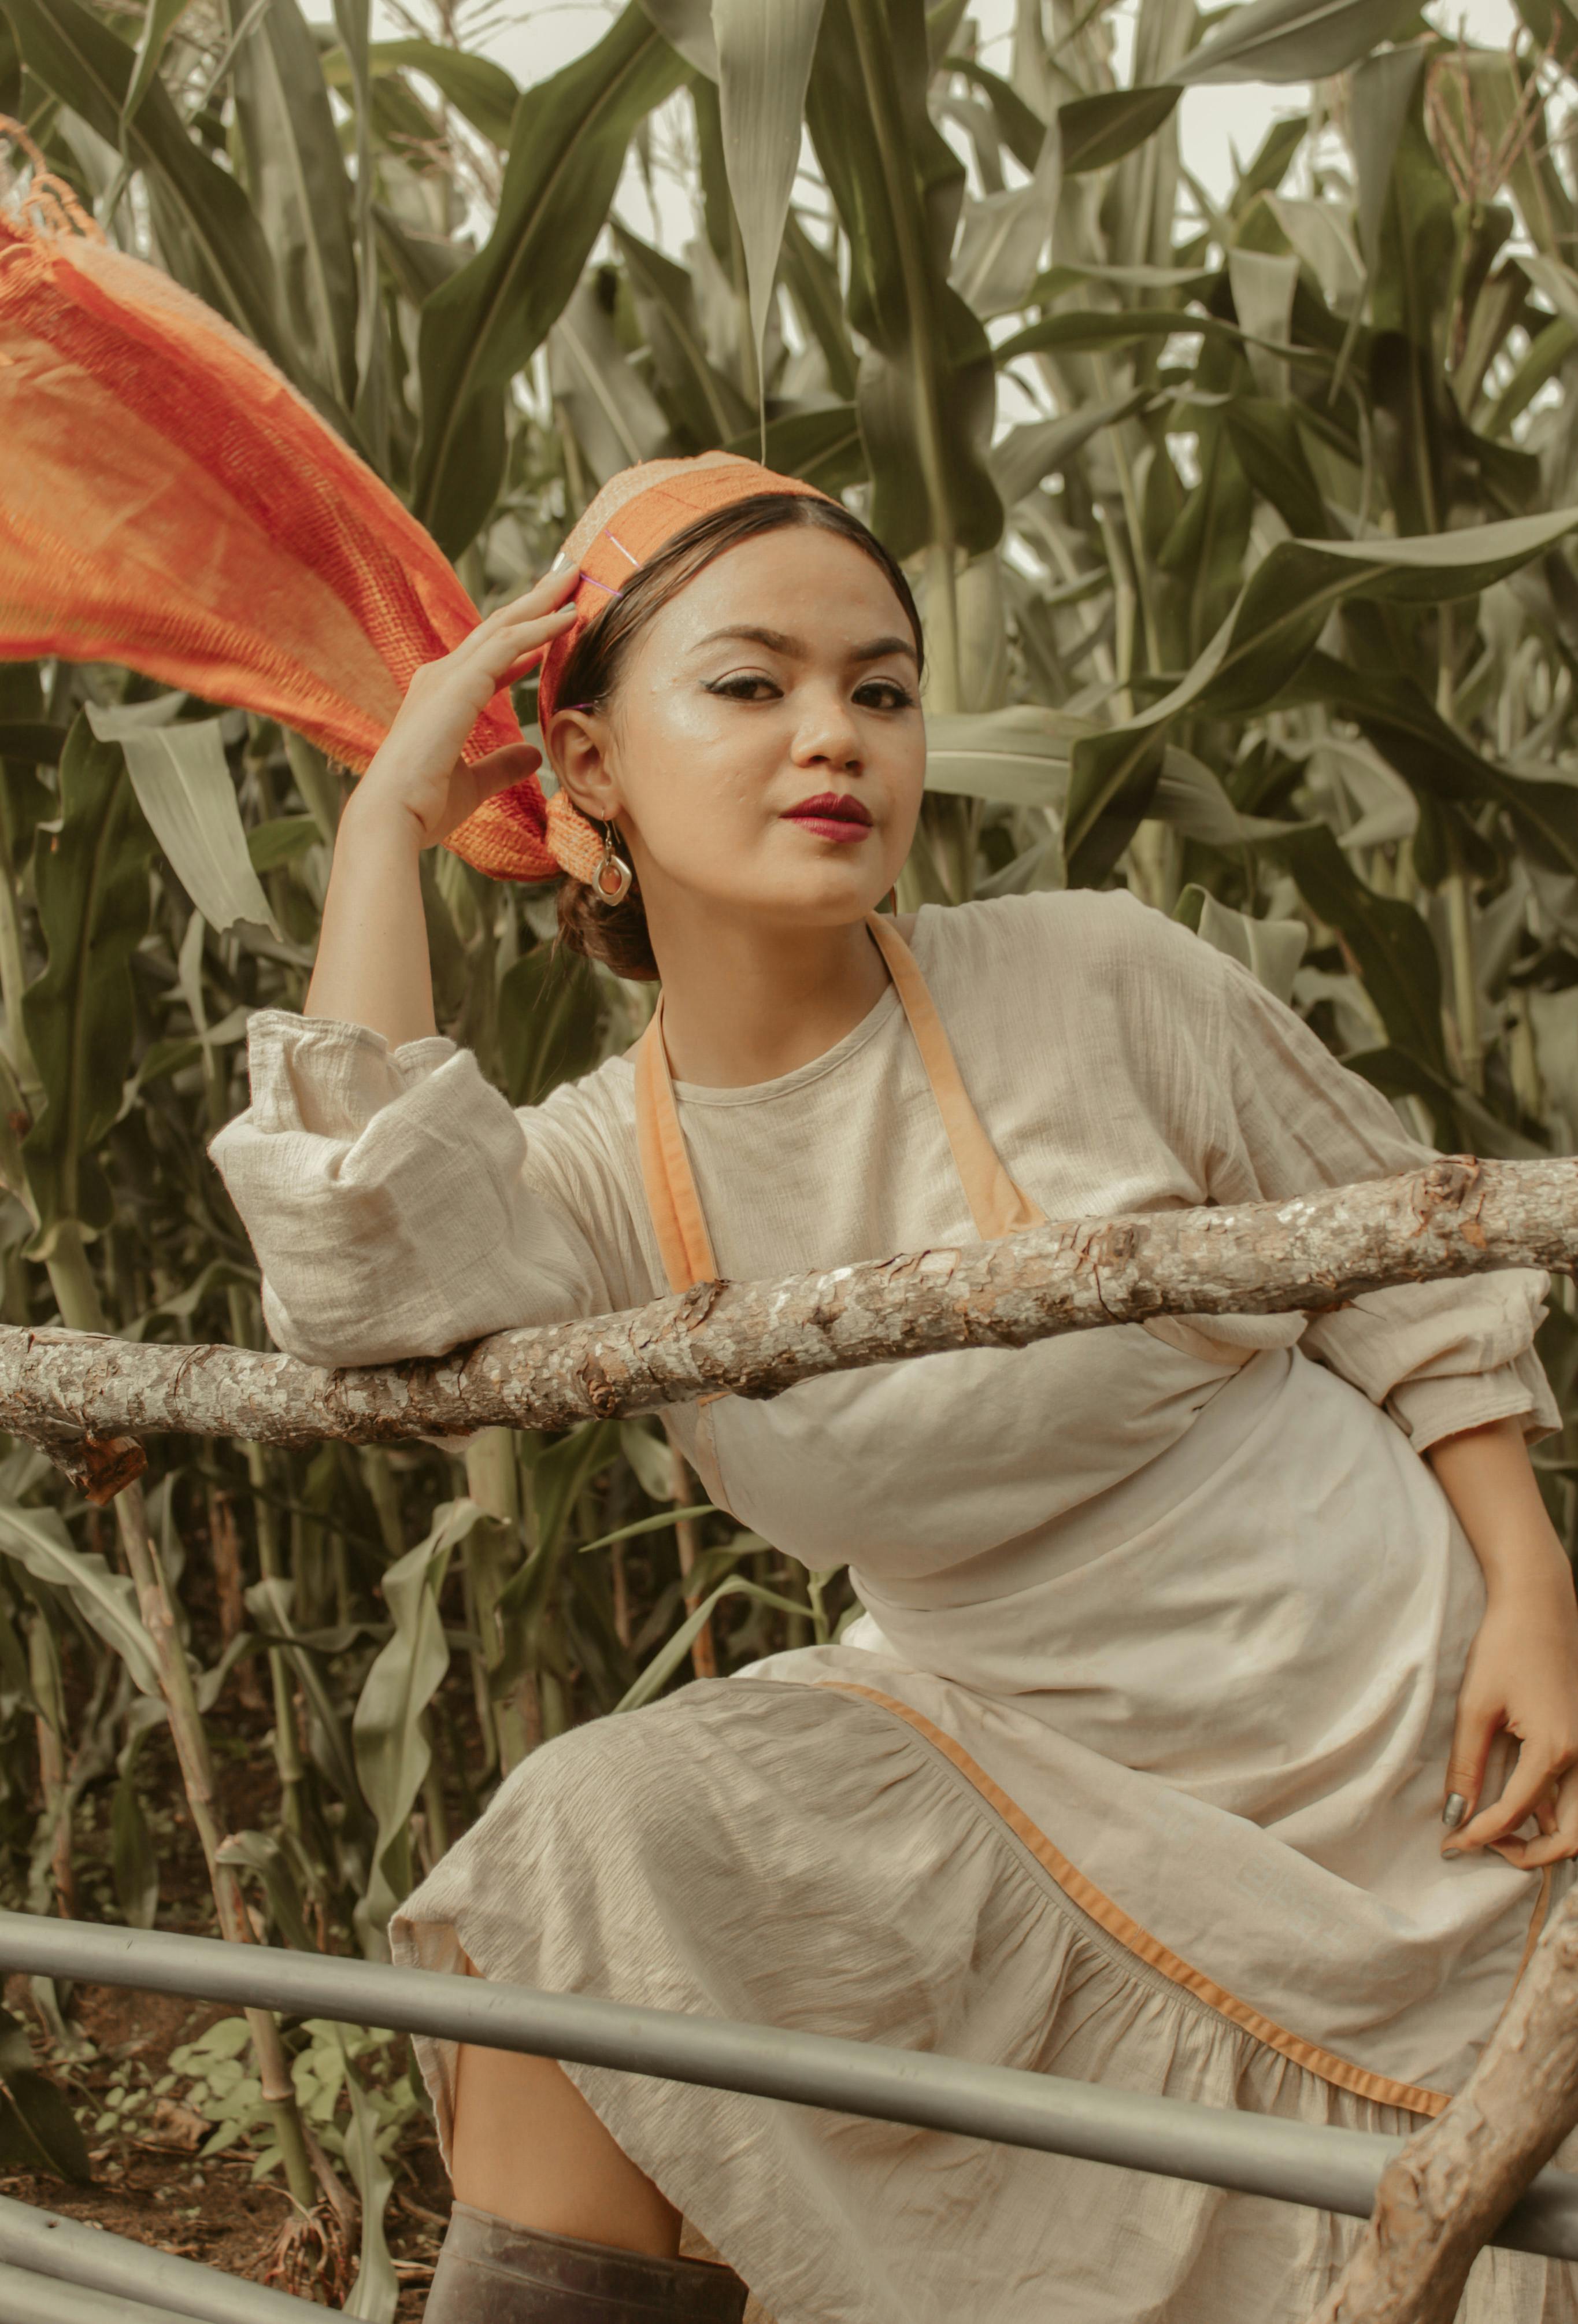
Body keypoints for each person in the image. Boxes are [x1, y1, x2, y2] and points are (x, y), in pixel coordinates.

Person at [210, 452, 1578, 2324]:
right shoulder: (605, 1171)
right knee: (579, 1868)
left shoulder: (1101, 975)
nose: (830, 737)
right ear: (586, 763)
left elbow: (1419, 1271)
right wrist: (384, 825)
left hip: (1406, 1745)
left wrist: (1533, 1590)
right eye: (748, 683)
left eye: (878, 688)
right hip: (1017, 1759)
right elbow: (367, 1283)